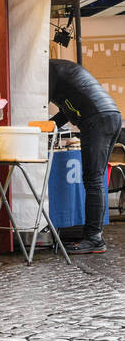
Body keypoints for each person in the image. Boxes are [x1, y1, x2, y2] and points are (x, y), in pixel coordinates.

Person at [48, 58, 123, 254]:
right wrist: (49, 126)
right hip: (110, 115)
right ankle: (94, 235)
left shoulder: (47, 72)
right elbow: (66, 111)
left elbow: (35, 104)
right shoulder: (60, 68)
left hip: (97, 120)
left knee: (93, 179)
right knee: (95, 179)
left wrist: (38, 127)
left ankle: (94, 238)